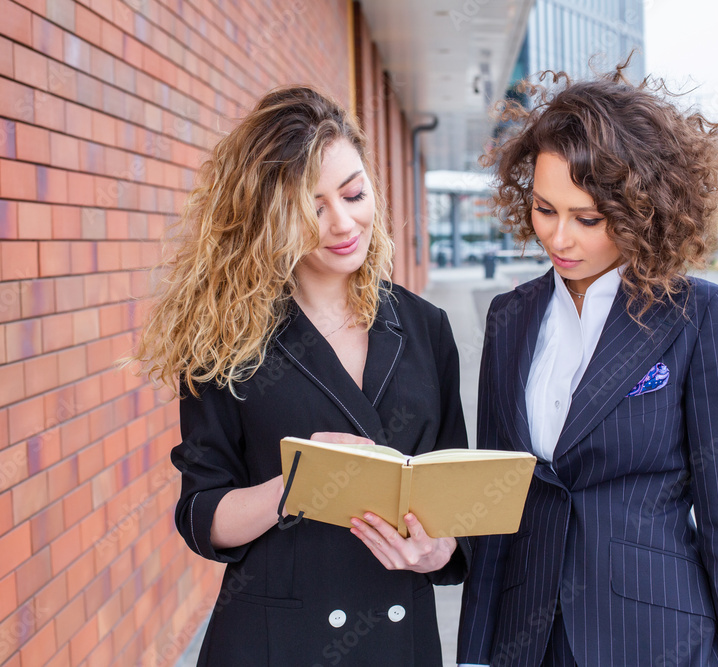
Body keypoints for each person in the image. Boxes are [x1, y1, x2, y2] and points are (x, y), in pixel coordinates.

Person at [132, 85, 469, 666]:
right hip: (276, 639)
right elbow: (200, 513)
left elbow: (456, 495)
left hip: (399, 636)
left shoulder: (424, 326)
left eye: (354, 193)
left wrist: (438, 550)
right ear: (271, 215)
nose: (344, 223)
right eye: (313, 206)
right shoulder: (228, 338)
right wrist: (295, 485)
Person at [457, 65, 718, 666]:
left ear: (639, 209)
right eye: (544, 209)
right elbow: (496, 505)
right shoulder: (509, 318)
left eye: (587, 218)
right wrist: (476, 653)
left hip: (654, 639)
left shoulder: (701, 317)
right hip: (528, 642)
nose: (559, 239)